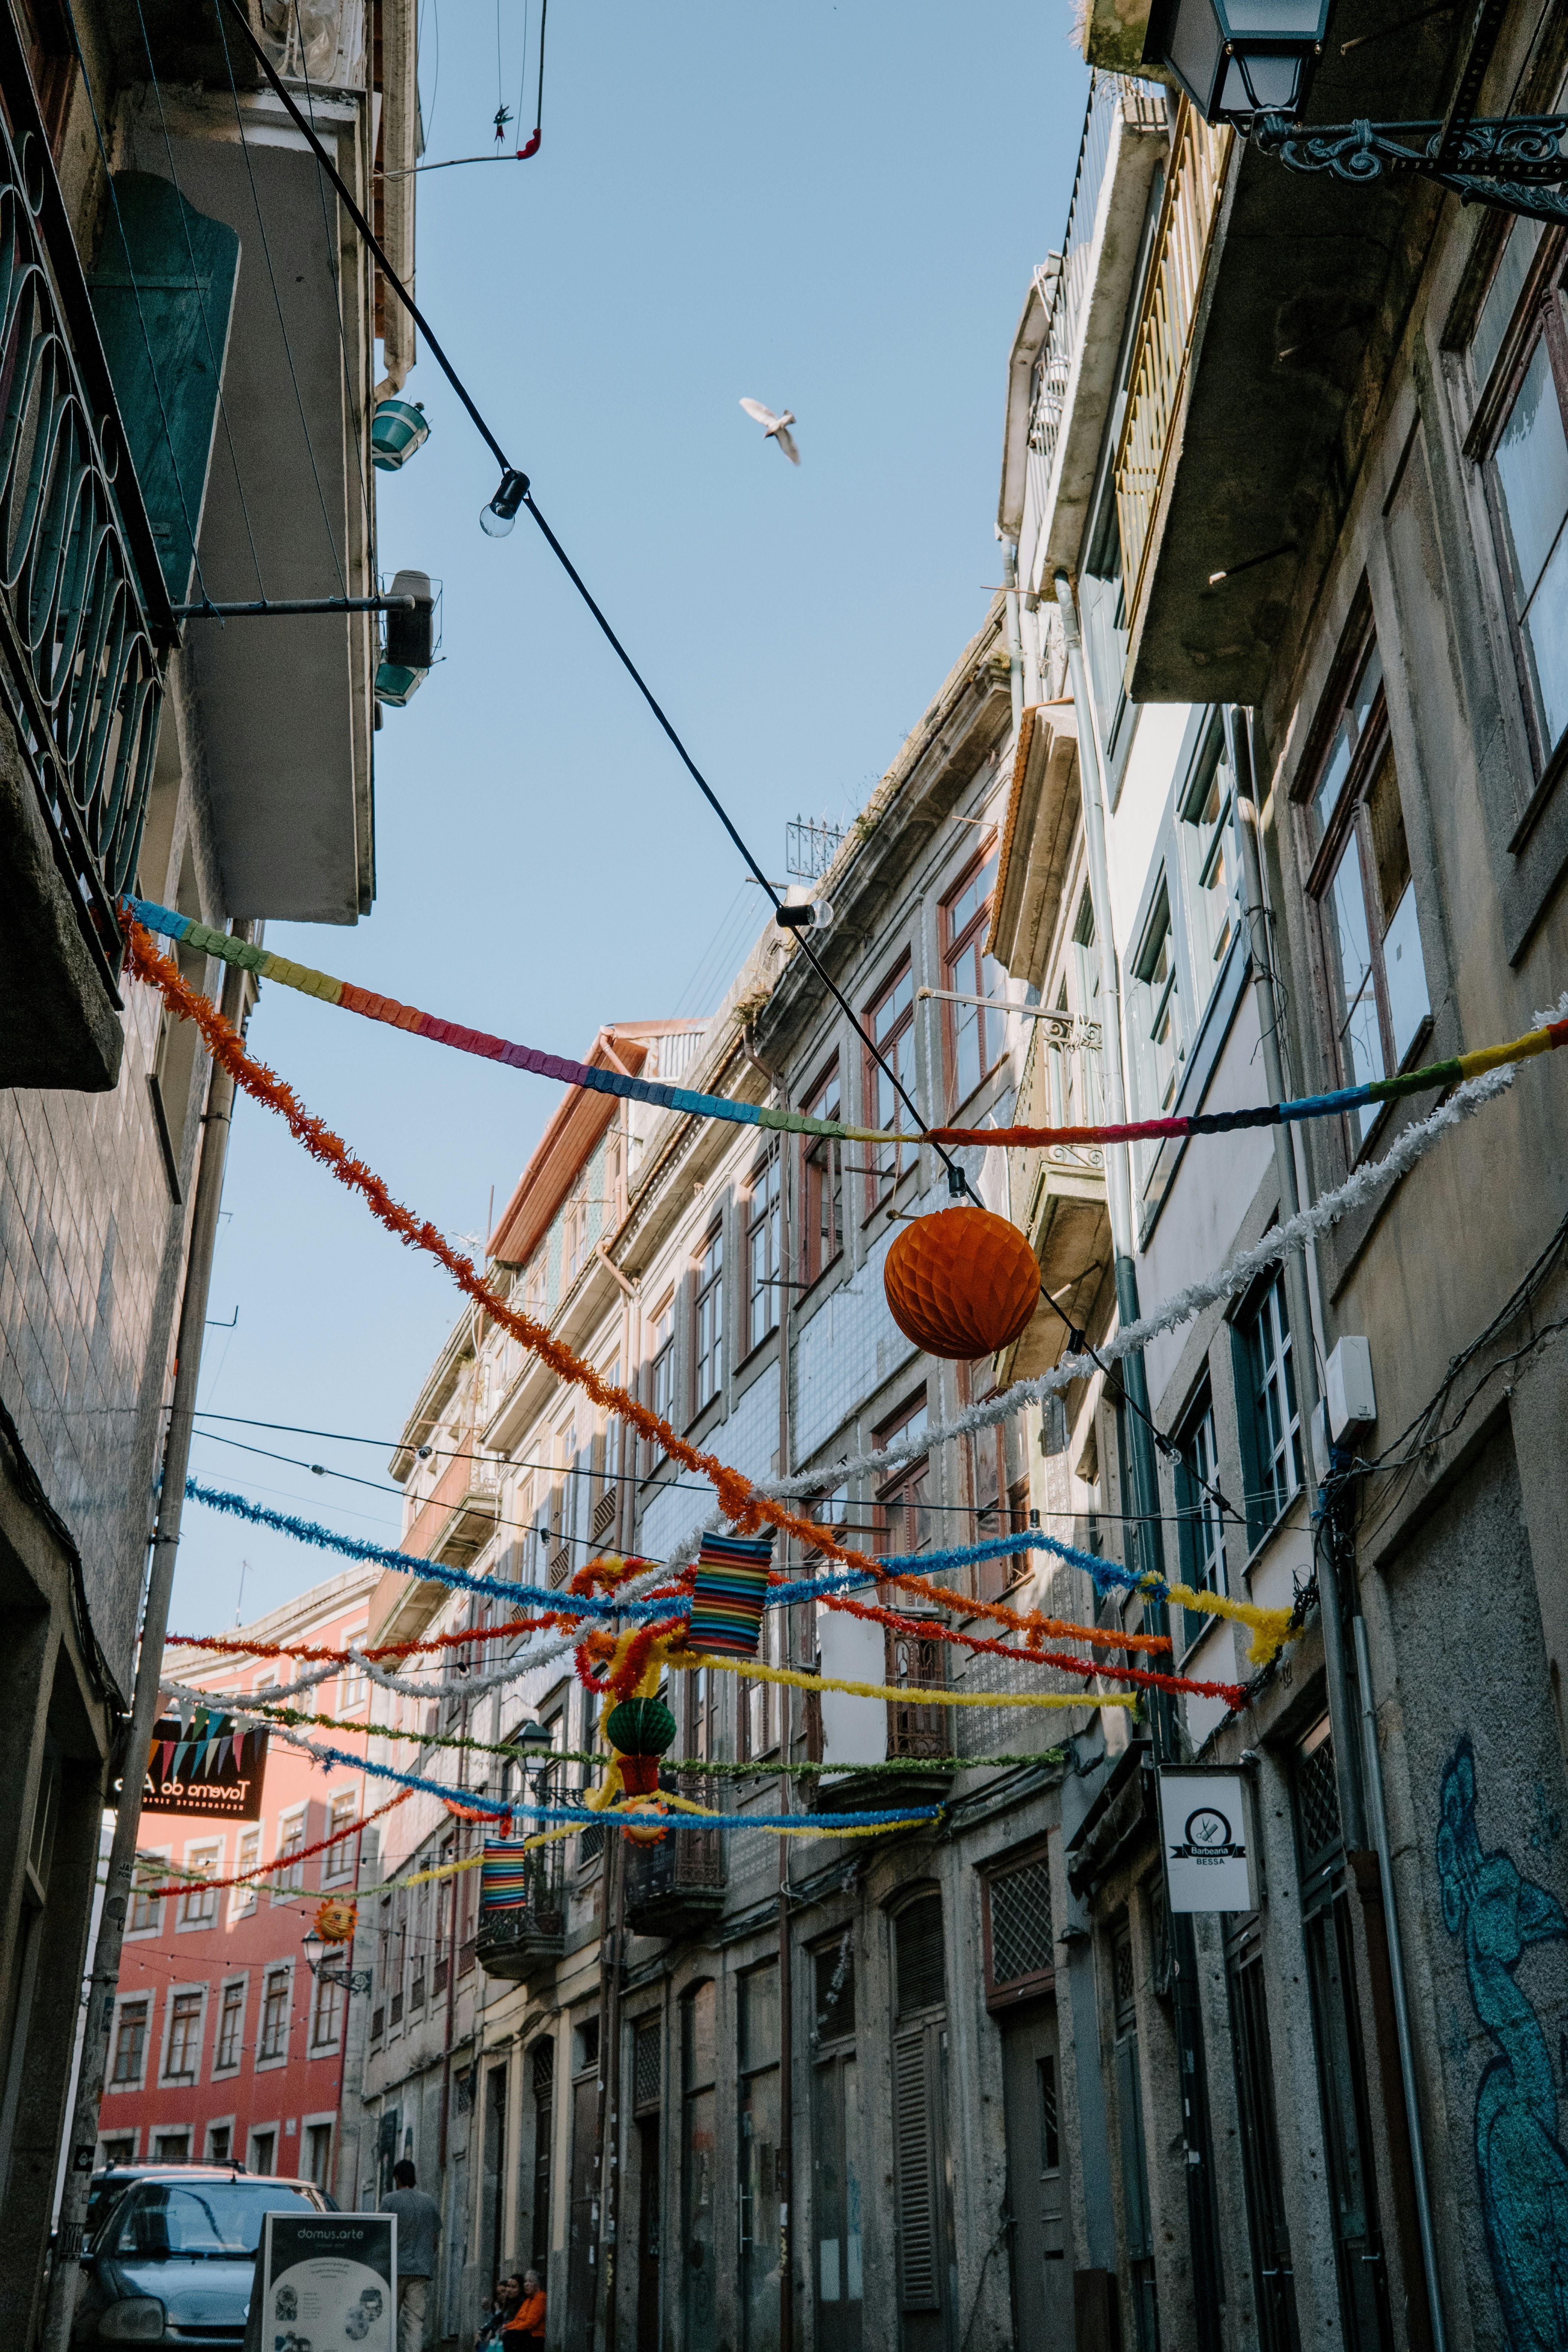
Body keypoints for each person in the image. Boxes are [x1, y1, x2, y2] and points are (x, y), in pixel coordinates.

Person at [380, 2159, 442, 2352]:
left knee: (389, 2317)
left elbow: (381, 2234)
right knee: (415, 2321)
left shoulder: (390, 2200)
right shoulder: (429, 2201)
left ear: (397, 2178)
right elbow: (435, 2240)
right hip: (421, 2271)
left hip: (395, 2269)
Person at [502, 2272, 545, 2350]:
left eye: (531, 2282)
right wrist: (506, 2327)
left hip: (536, 2337)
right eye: (525, 2282)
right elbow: (518, 2320)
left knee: (510, 2335)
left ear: (538, 2285)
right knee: (506, 2334)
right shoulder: (527, 2301)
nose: (527, 2285)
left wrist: (510, 2329)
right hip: (526, 2334)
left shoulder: (541, 2298)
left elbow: (530, 2323)